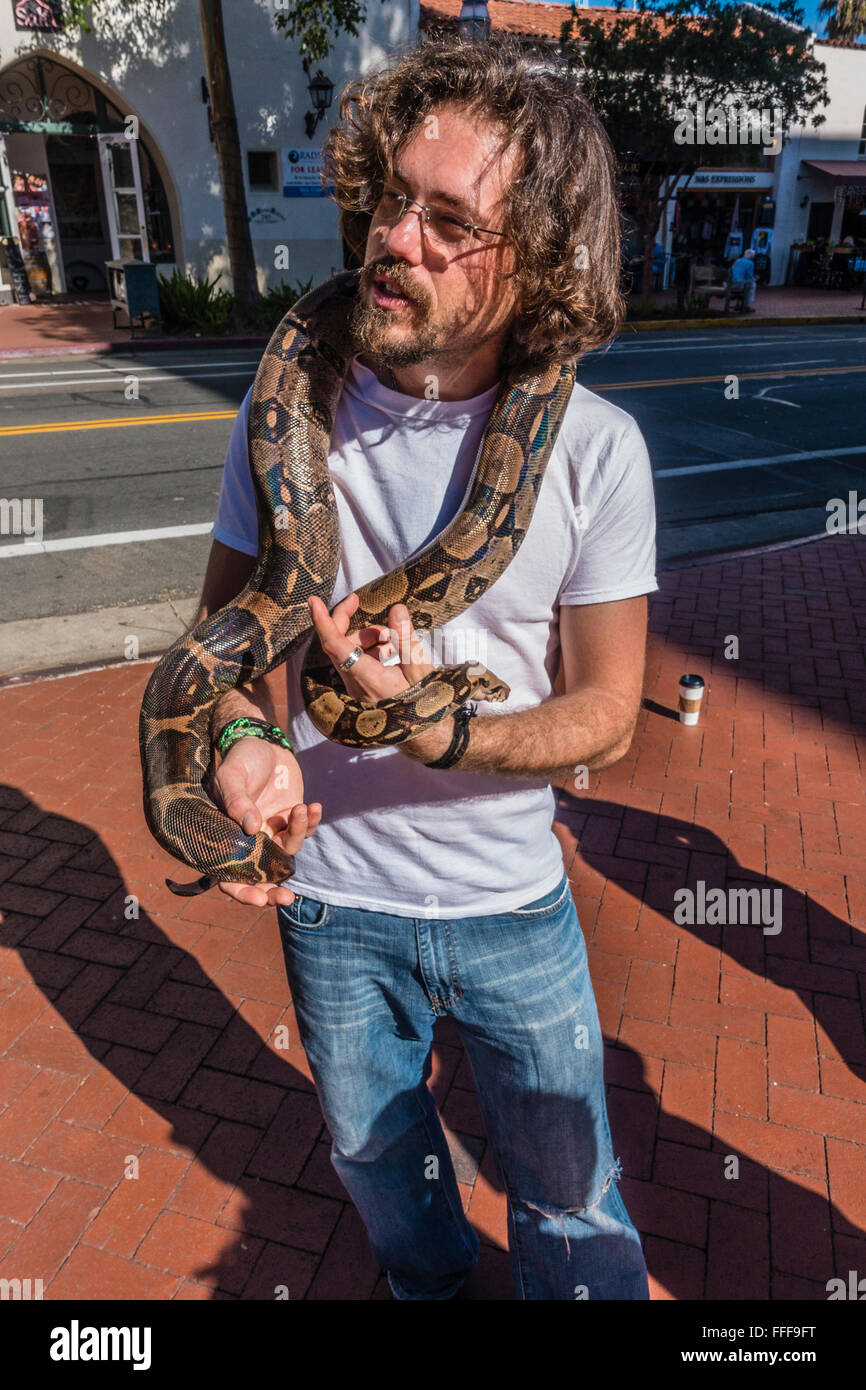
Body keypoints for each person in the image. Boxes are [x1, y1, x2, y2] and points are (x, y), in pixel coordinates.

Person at [195, 35, 656, 1301]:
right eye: (393, 198)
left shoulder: (595, 450)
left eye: (449, 219)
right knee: (378, 1173)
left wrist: (441, 734)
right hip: (333, 908)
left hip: (510, 905)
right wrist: (240, 747)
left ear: (544, 256)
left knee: (570, 1204)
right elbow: (225, 651)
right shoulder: (283, 400)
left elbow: (610, 717)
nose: (395, 236)